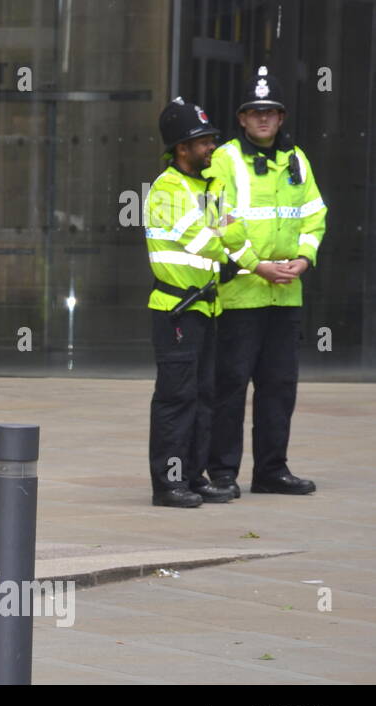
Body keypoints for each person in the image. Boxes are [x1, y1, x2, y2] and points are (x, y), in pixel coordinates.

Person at [207, 66, 327, 497]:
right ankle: (221, 472)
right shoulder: (225, 158)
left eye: (270, 112)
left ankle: (272, 470)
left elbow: (314, 213)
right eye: (255, 112)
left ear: (281, 117)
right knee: (231, 386)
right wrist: (257, 265)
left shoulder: (296, 159)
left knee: (279, 387)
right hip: (241, 292)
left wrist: (304, 257)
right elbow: (218, 220)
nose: (263, 119)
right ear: (241, 117)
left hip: (286, 292)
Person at [144, 98, 245, 507]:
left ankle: (193, 475)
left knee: (204, 396)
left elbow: (231, 237)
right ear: (181, 148)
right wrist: (234, 239)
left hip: (205, 307)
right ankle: (168, 484)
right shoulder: (167, 190)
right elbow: (213, 243)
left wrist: (233, 239)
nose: (211, 148)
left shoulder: (206, 188)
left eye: (212, 141)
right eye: (203, 142)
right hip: (177, 311)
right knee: (176, 400)